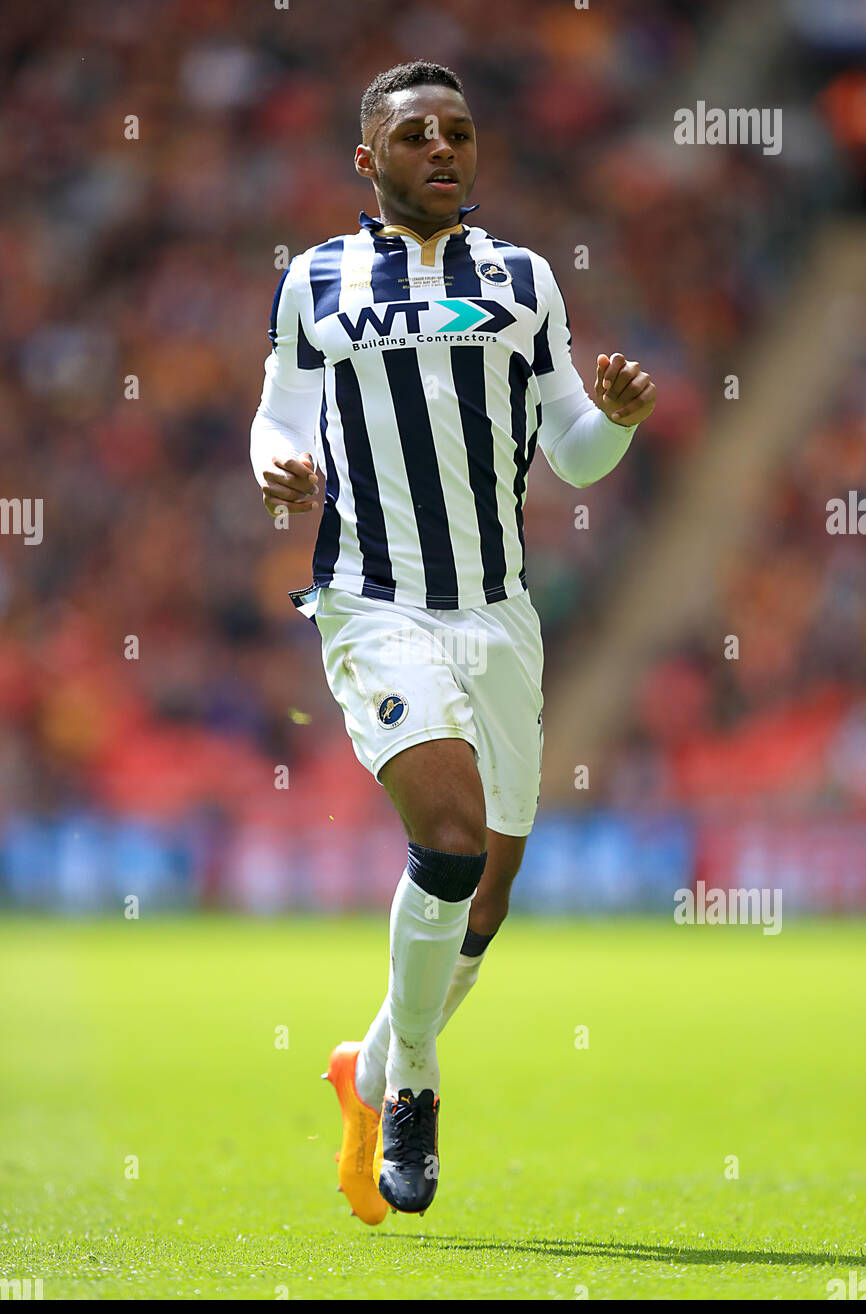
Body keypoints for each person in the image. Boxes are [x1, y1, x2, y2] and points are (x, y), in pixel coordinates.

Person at [250, 60, 657, 1221]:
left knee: (486, 899)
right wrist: (271, 464)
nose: (444, 150)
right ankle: (417, 1085)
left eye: (461, 133)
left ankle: (366, 1068)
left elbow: (571, 448)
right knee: (446, 840)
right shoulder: (314, 280)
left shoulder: (523, 282)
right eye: (417, 135)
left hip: (500, 615)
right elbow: (278, 411)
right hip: (373, 602)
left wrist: (616, 423)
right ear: (366, 160)